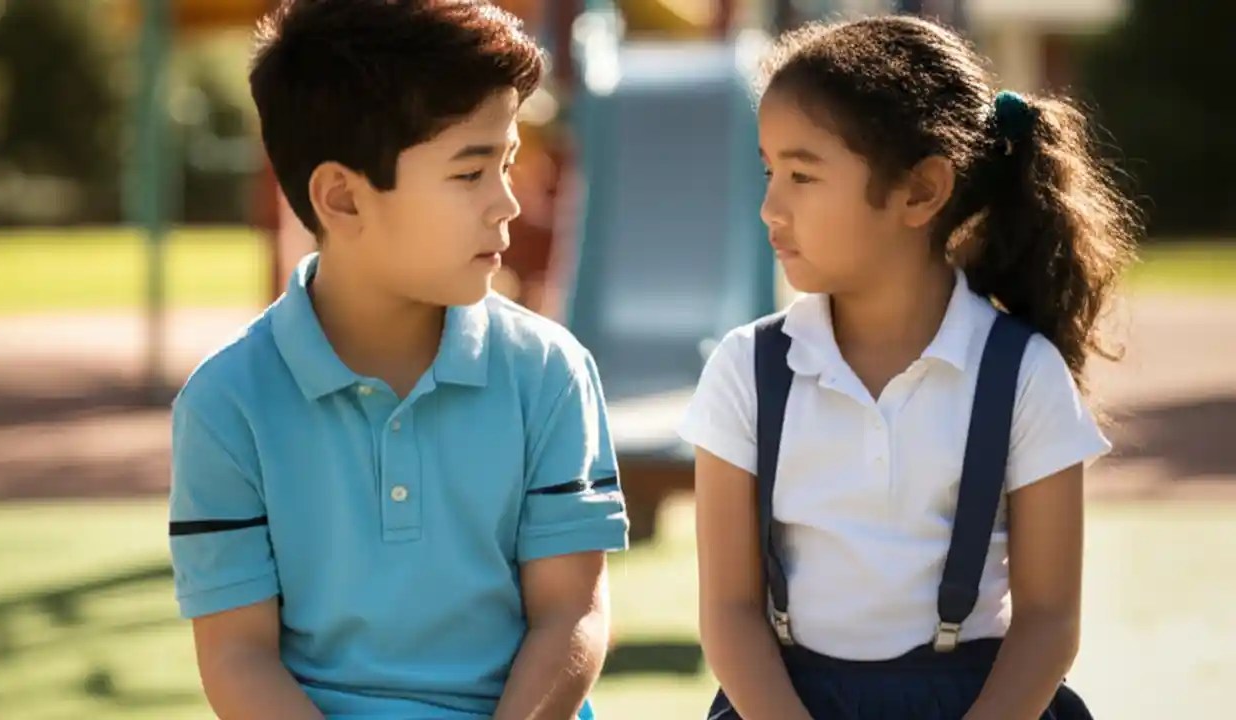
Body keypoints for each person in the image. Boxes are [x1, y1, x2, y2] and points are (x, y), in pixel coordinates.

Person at [167, 2, 629, 719]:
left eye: (507, 163)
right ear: (343, 199)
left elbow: (572, 612)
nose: (508, 203)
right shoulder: (225, 403)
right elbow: (237, 655)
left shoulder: (549, 372)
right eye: (471, 172)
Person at [679, 15, 1139, 720]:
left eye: (802, 175)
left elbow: (1048, 623)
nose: (770, 207)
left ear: (921, 192)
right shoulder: (746, 370)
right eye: (771, 172)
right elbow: (731, 612)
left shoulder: (1023, 374)